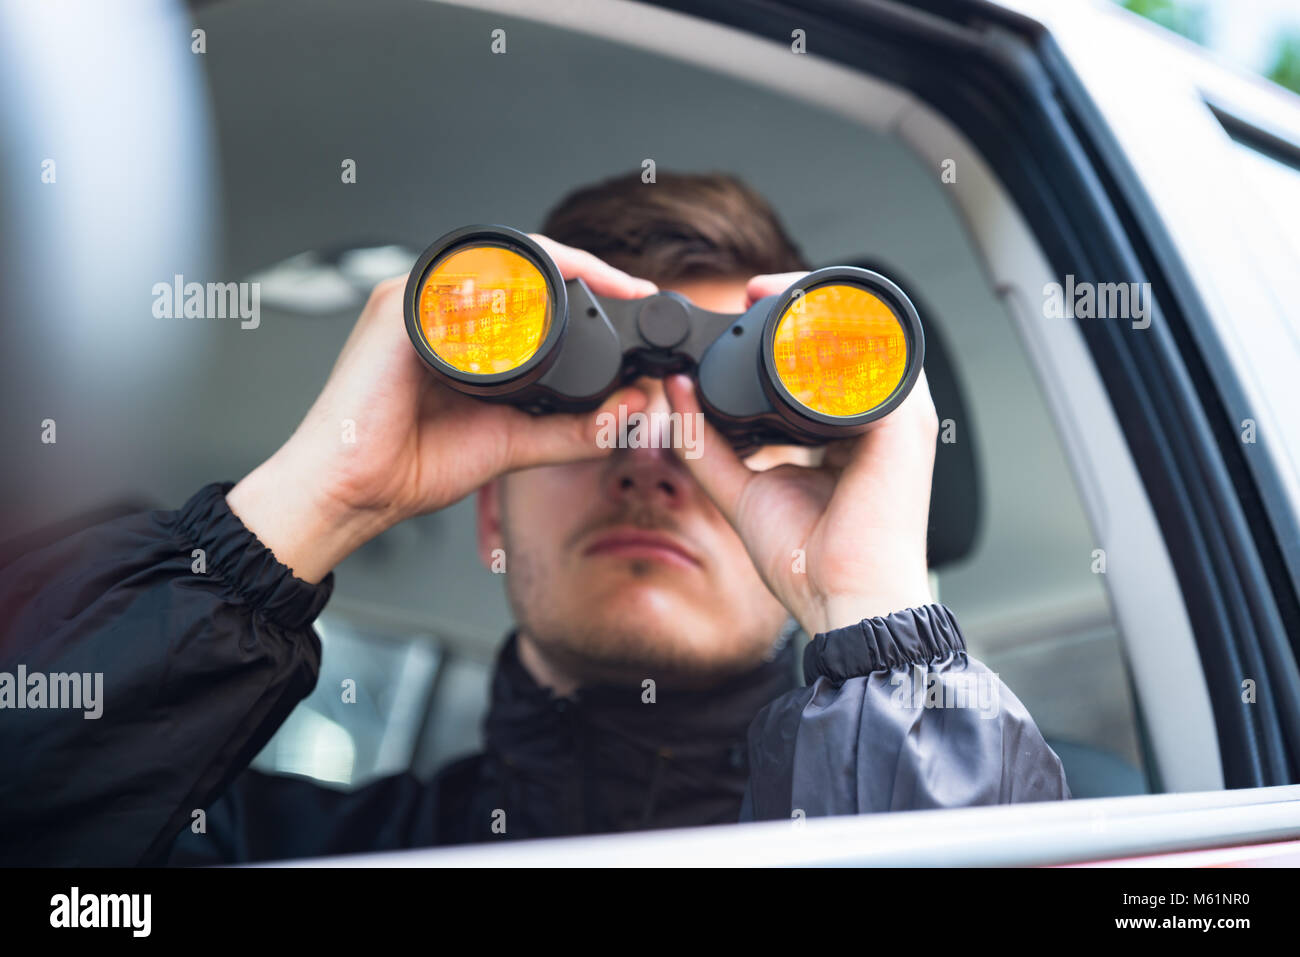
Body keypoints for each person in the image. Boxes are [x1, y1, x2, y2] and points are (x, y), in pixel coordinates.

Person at [0, 172, 1070, 866]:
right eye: (598, 415)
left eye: (731, 428)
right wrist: (305, 506)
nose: (653, 460)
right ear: (487, 517)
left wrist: (876, 617)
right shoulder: (269, 849)